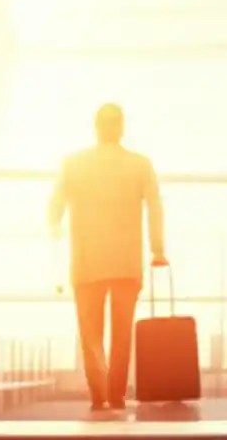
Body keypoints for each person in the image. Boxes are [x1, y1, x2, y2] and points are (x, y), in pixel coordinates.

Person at [48, 103, 167, 410]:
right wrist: (157, 249)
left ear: (96, 127)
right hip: (126, 263)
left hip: (87, 262)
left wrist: (54, 230)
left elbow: (55, 206)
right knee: (122, 332)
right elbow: (154, 205)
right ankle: (116, 393)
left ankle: (98, 390)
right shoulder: (140, 164)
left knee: (90, 332)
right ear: (121, 127)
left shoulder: (73, 164)